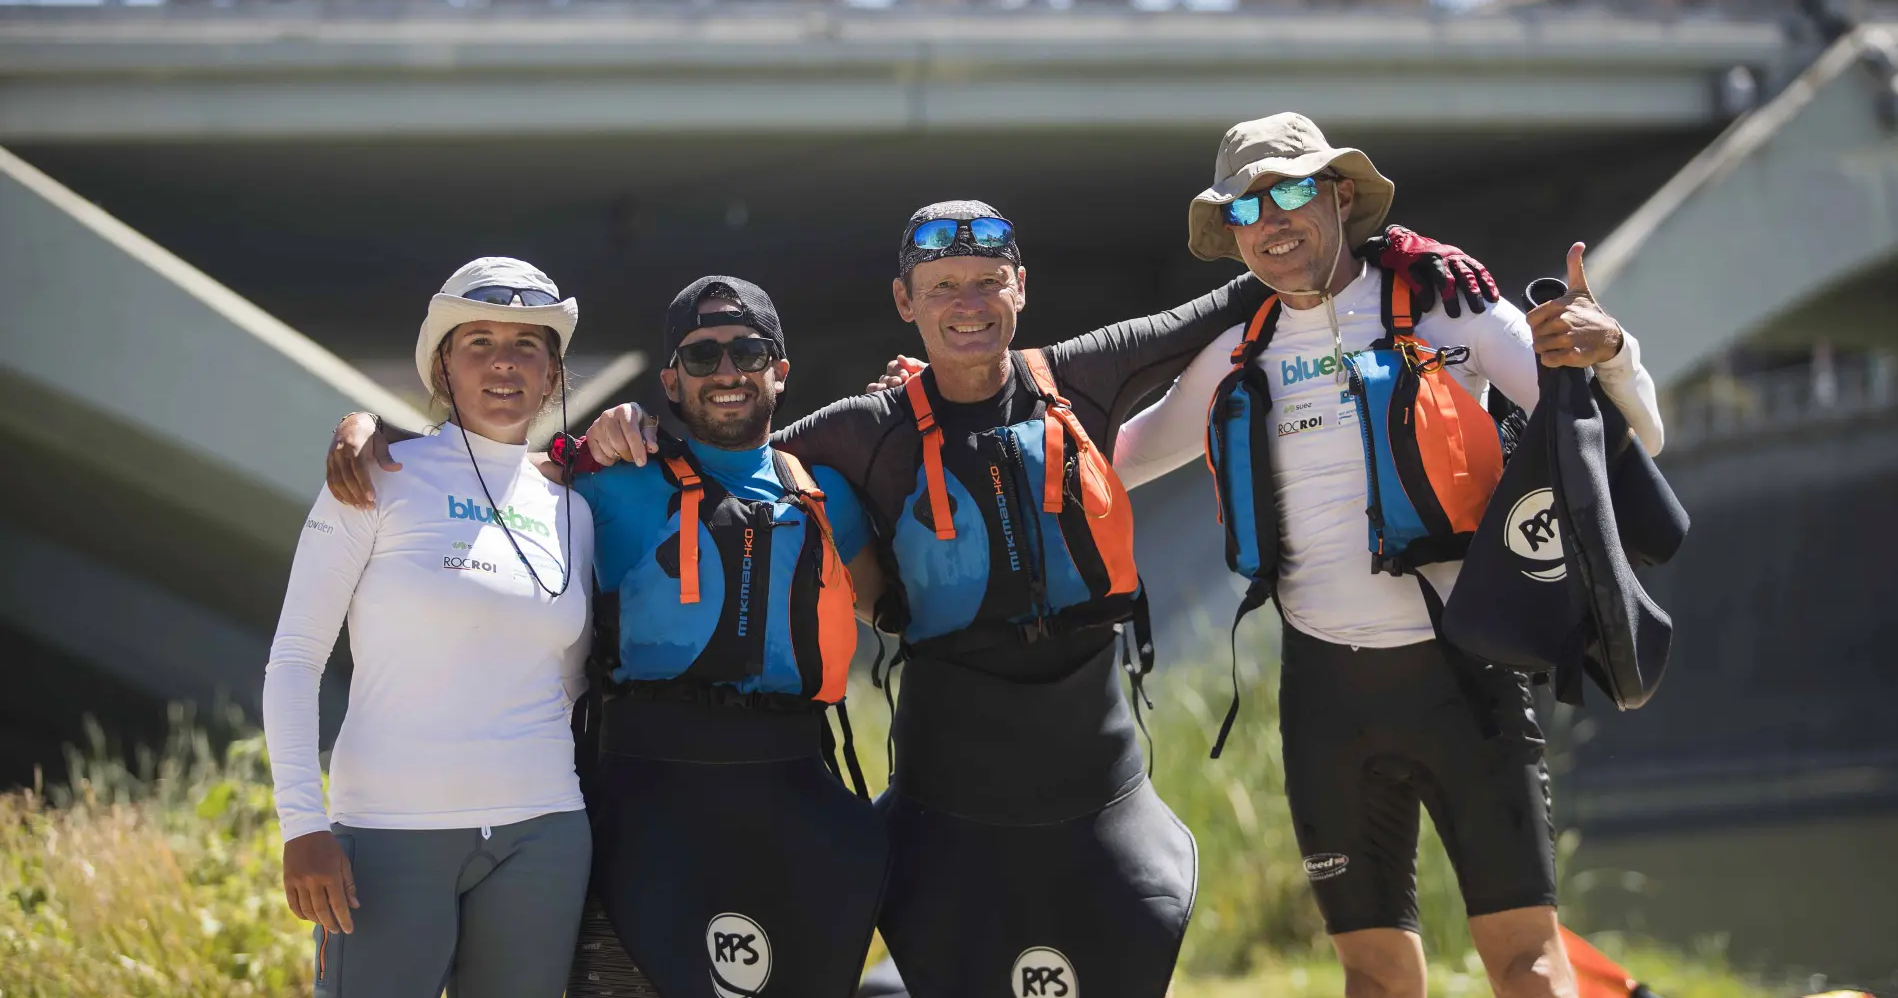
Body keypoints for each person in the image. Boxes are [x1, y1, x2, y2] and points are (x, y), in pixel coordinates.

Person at [569, 202, 1492, 998]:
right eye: (941, 286)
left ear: (1020, 287)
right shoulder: (856, 436)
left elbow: (1235, 298)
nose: (966, 305)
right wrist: (620, 434)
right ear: (906, 304)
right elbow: (727, 456)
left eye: (985, 282)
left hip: (1095, 788)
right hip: (945, 802)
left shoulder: (1078, 379)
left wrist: (1389, 252)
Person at [1111, 112, 1665, 998]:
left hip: (1468, 679)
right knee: (1372, 980)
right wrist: (952, 425)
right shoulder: (1236, 350)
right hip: (1328, 696)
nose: (1274, 220)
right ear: (1232, 234)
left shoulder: (1451, 301)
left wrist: (1615, 351)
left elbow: (1619, 431)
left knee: (1526, 965)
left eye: (1292, 191)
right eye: (1247, 209)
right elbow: (1115, 464)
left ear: (1339, 195)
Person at [329, 277, 891, 998]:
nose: (726, 371)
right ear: (670, 381)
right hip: (645, 807)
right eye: (701, 357)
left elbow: (906, 612)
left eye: (749, 351)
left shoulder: (825, 497)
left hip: (792, 807)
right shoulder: (608, 479)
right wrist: (380, 435)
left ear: (780, 370)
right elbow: (491, 474)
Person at [265, 257, 595, 998]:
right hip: (386, 833)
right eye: (477, 341)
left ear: (552, 376)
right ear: (442, 367)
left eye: (526, 345)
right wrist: (301, 824)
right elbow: (293, 658)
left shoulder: (576, 509)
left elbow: (569, 681)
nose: (502, 363)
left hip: (542, 834)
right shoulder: (373, 475)